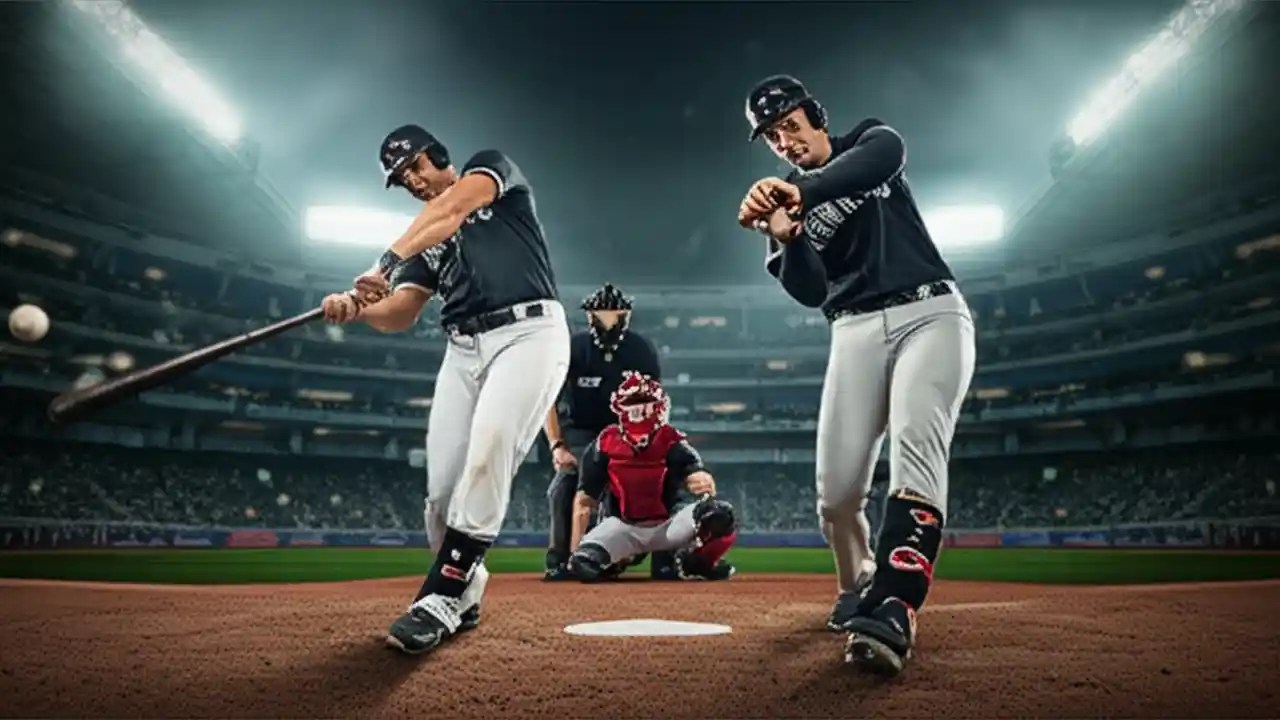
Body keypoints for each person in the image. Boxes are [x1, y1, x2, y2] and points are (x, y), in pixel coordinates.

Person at [737, 76, 976, 676]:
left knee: (918, 446)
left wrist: (796, 193)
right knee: (838, 494)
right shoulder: (781, 206)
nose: (784, 141)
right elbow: (810, 289)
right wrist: (787, 235)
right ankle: (858, 583)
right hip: (852, 329)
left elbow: (884, 158)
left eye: (791, 124)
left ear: (816, 115)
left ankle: (895, 604)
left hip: (930, 312)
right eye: (771, 136)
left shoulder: (867, 141)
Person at [322, 124, 570, 656]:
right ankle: (468, 590)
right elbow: (400, 313)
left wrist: (380, 264)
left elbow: (449, 212)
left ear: (438, 156)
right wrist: (358, 307)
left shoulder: (490, 172)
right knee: (440, 493)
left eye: (415, 166)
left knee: (489, 451)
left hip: (528, 333)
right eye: (400, 176)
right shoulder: (423, 245)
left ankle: (442, 592)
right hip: (462, 350)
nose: (411, 180)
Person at [542, 283, 679, 581]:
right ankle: (561, 560)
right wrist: (556, 446)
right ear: (590, 317)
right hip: (579, 432)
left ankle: (664, 561)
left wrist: (651, 442)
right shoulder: (572, 348)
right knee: (565, 485)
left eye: (616, 315)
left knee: (662, 478)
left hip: (628, 431)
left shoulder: (641, 349)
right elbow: (548, 399)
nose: (610, 321)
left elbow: (656, 398)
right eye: (604, 315)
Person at [566, 372, 737, 582]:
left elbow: (697, 475)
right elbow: (584, 502)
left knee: (720, 513)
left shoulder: (672, 443)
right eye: (634, 403)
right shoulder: (604, 445)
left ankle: (698, 562)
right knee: (584, 563)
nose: (639, 410)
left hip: (669, 525)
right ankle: (613, 561)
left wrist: (701, 479)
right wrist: (576, 552)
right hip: (623, 527)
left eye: (645, 402)